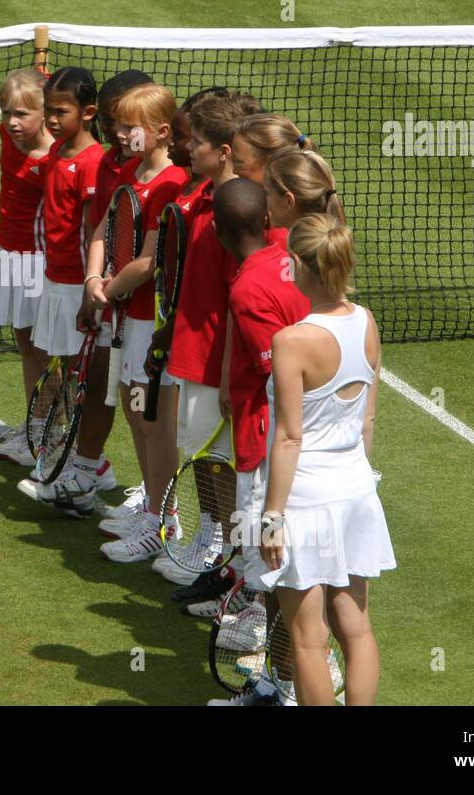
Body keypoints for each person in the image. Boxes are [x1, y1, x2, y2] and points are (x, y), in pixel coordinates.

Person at [259, 214, 394, 705]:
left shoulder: (291, 341)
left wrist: (272, 516)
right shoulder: (365, 321)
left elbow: (290, 438)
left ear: (297, 264)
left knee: (308, 639)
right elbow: (368, 421)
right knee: (355, 628)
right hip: (356, 491)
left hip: (306, 501)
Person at [143, 89, 259, 587]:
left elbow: (241, 300)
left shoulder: (237, 210)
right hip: (189, 352)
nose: (189, 149)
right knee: (206, 461)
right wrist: (167, 334)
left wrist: (230, 372)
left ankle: (229, 560)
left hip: (215, 362)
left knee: (221, 465)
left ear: (224, 150)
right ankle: (212, 539)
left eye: (201, 142)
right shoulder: (204, 199)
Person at [206, 176, 310, 706]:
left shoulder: (247, 290)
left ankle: (286, 688)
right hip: (297, 440)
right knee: (287, 579)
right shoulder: (287, 253)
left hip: (266, 445)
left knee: (276, 581)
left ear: (221, 234)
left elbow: (276, 379)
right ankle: (285, 680)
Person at [85, 84, 188, 560]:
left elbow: (149, 263)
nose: (122, 134)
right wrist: (92, 275)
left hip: (149, 320)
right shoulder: (130, 172)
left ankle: (162, 521)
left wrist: (107, 290)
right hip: (125, 313)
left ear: (162, 131)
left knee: (153, 421)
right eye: (121, 125)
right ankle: (151, 501)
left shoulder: (170, 182)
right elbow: (105, 230)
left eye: (132, 127)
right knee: (133, 411)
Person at [16, 66, 105, 514]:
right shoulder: (55, 156)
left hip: (75, 286)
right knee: (62, 371)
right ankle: (67, 461)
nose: (51, 119)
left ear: (88, 113)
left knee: (76, 375)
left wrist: (90, 287)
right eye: (48, 110)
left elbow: (95, 232)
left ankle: (80, 467)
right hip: (53, 278)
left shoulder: (93, 163)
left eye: (60, 111)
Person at [0, 69, 54, 466]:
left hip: (38, 262)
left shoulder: (54, 161)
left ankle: (49, 430)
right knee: (25, 344)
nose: (12, 122)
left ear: (46, 114)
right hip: (8, 255)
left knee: (44, 351)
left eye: (23, 114)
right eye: (6, 111)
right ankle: (36, 425)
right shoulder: (7, 135)